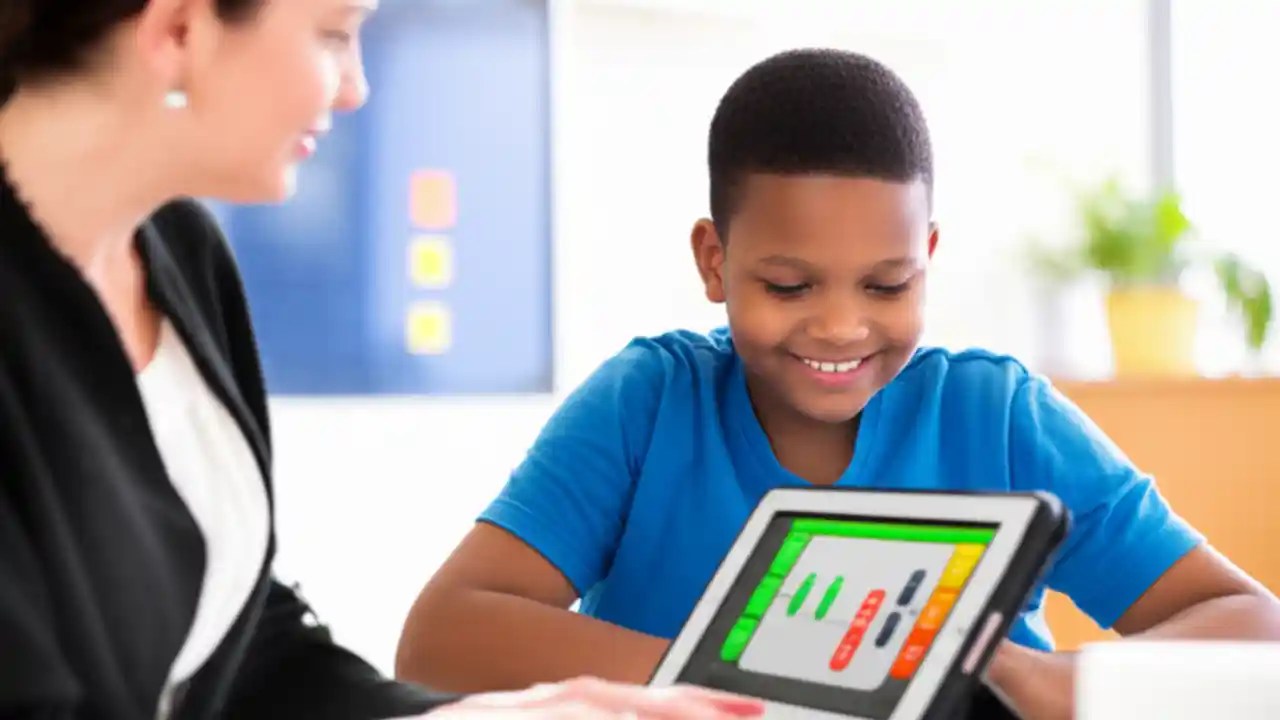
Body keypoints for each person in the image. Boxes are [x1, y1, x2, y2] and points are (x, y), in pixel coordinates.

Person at [396, 48, 1280, 719]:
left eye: (886, 286)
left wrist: (1047, 682)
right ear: (715, 260)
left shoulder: (999, 418)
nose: (840, 327)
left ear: (927, 257)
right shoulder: (648, 403)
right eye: (788, 286)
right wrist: (753, 690)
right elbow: (438, 638)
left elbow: (1249, 622)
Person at [0, 1, 766, 718]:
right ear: (180, 30)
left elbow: (237, 641)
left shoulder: (179, 253)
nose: (355, 89)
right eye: (333, 34)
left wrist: (485, 716)